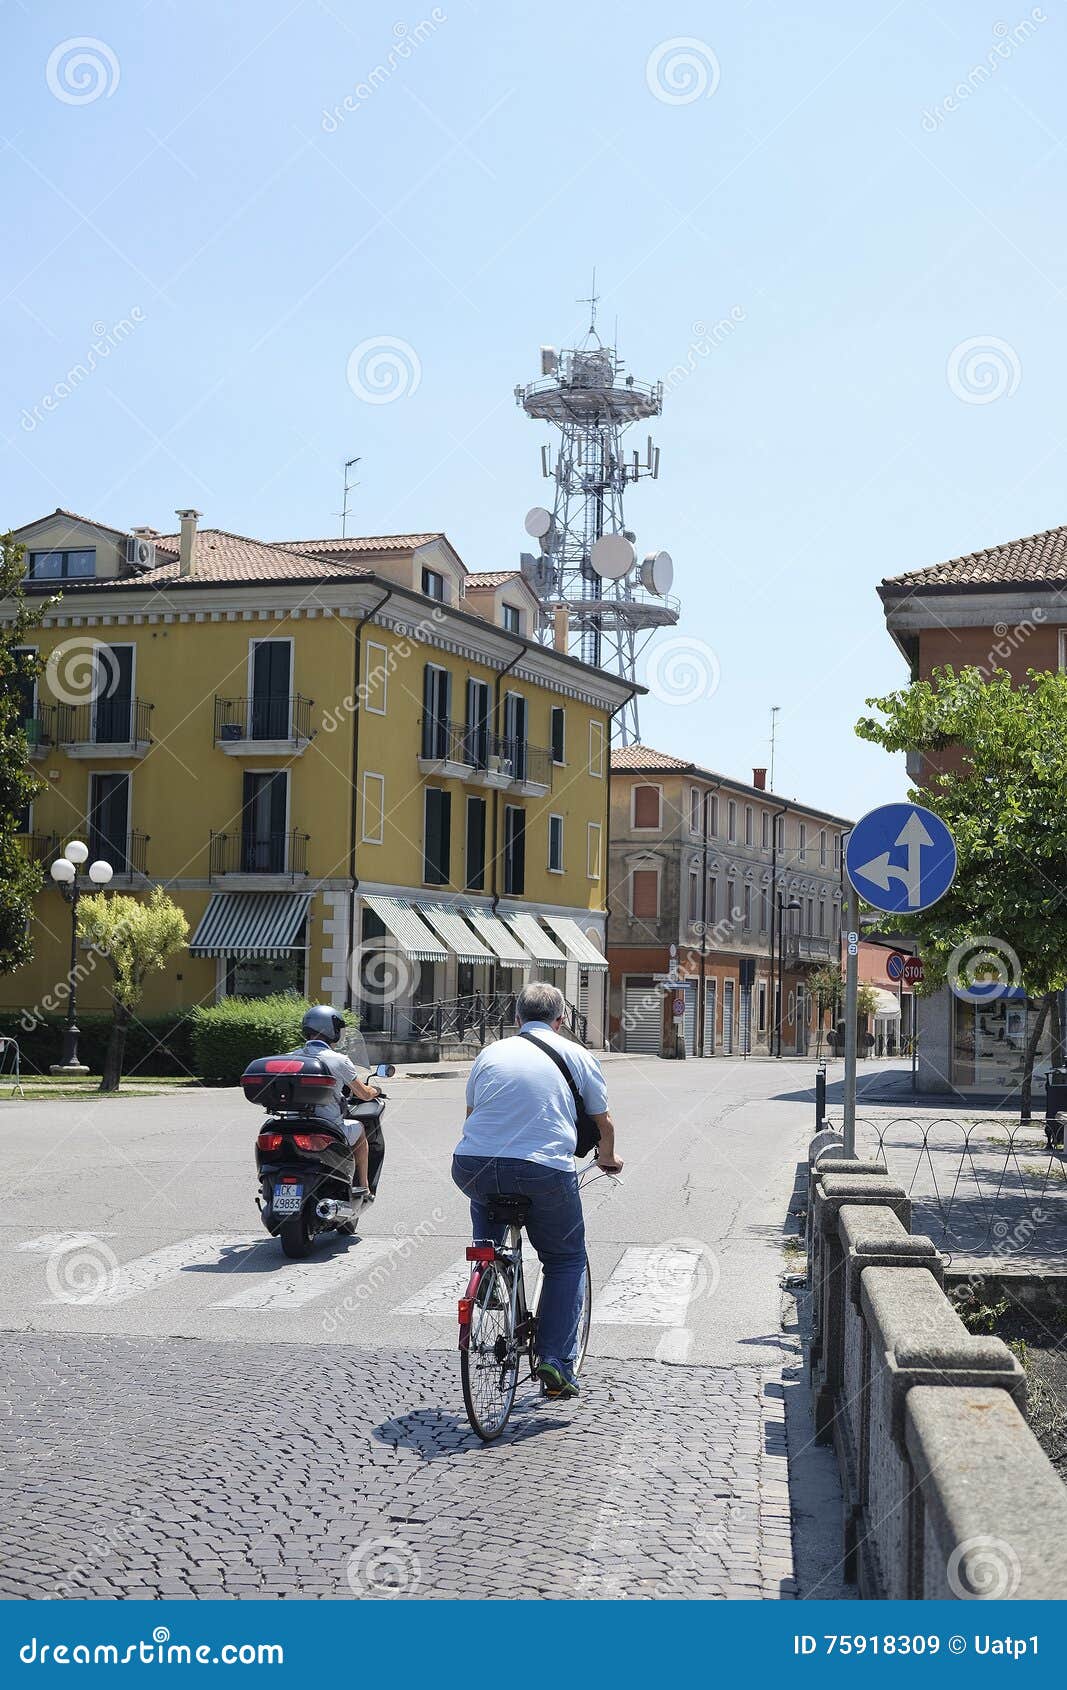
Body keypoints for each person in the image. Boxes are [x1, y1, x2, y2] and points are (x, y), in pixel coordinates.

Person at [452, 980, 622, 1401]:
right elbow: (604, 1124)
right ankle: (555, 1360)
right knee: (566, 1260)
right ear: (561, 1021)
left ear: (517, 1018)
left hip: (474, 1165)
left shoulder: (489, 1053)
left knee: (485, 1198)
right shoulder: (578, 1055)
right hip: (544, 1170)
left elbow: (473, 1114)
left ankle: (488, 1271)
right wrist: (608, 1158)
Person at [289, 1005, 382, 1196]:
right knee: (360, 1130)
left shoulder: (291, 1057)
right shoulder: (339, 1060)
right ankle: (363, 1185)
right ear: (332, 1029)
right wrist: (375, 1090)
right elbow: (363, 1094)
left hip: (290, 1124)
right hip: (328, 1126)